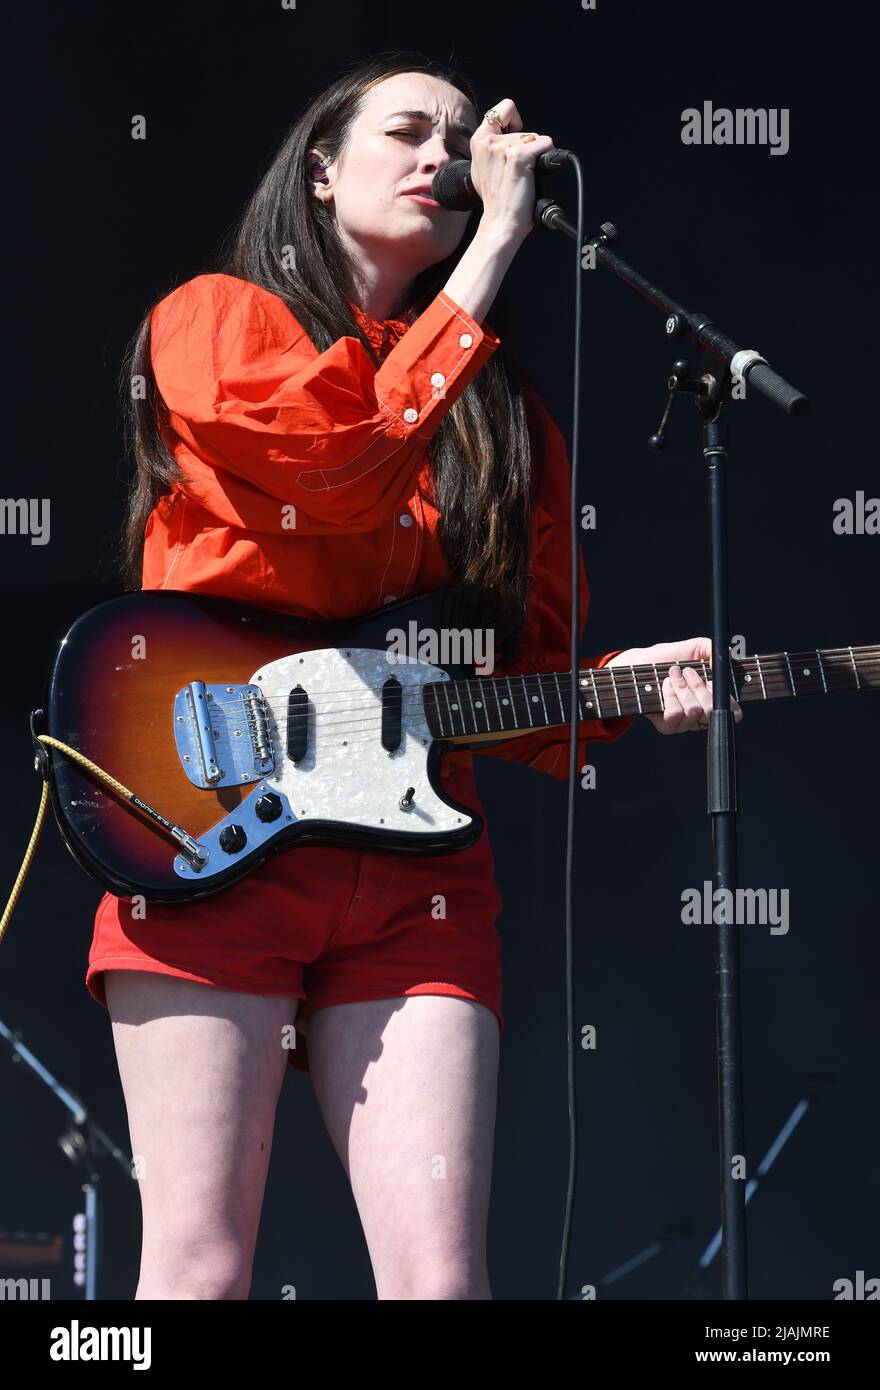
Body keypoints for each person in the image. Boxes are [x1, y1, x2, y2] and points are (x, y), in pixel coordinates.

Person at [86, 52, 743, 1301]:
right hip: (203, 824)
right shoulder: (215, 319)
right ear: (322, 171)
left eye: (465, 138)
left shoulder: (499, 413)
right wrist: (493, 251)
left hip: (412, 876)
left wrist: (610, 690)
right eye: (408, 132)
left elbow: (510, 675)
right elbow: (338, 468)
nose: (445, 156)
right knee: (199, 1267)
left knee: (442, 1281)